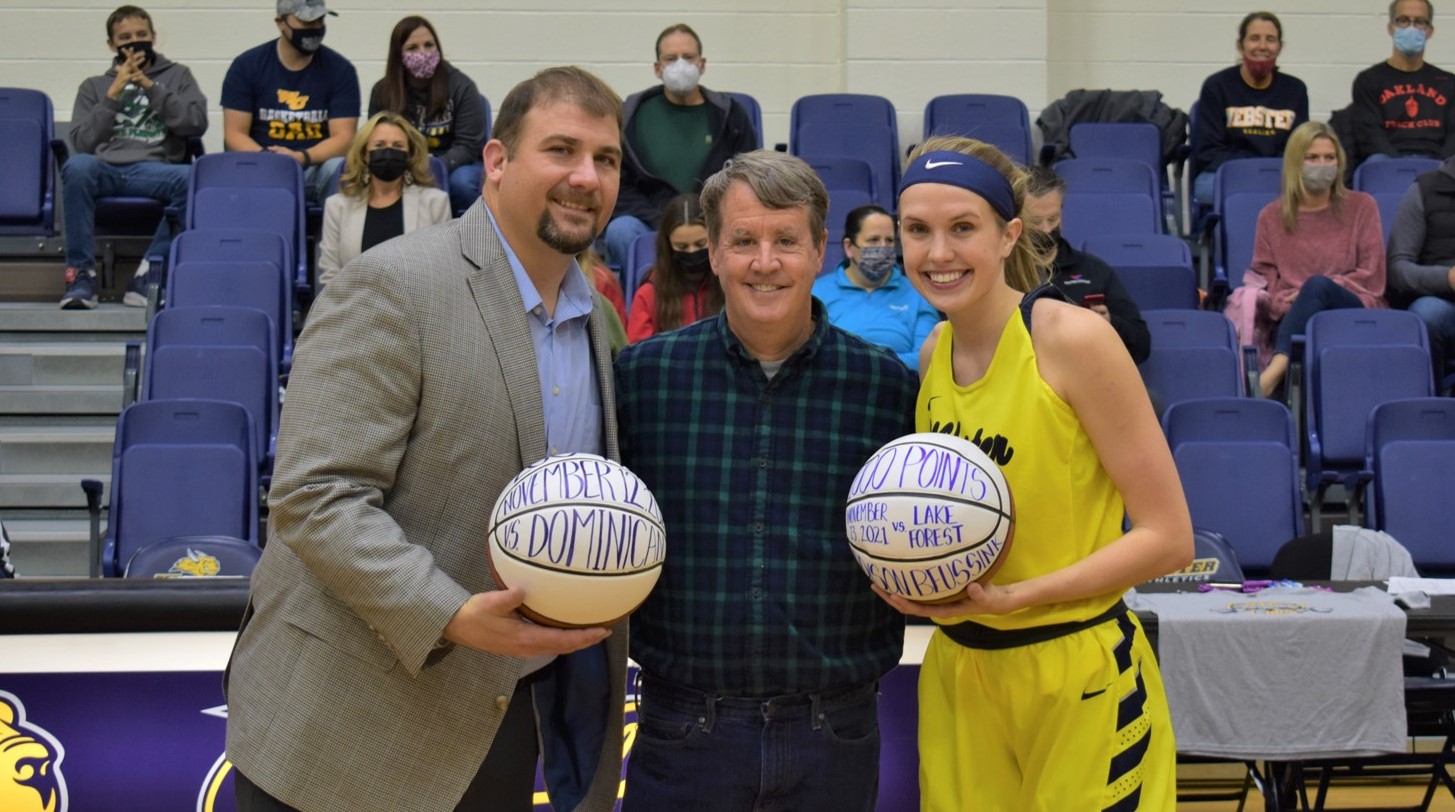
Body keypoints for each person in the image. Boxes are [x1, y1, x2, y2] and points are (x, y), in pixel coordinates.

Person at [225, 66, 629, 812]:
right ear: (498, 161)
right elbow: (314, 495)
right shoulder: (394, 283)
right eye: (562, 150)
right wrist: (447, 612)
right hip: (343, 728)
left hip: (494, 726)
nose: (586, 177)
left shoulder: (597, 321)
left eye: (604, 159)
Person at [880, 136, 1193, 810]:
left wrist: (1020, 598)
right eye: (917, 230)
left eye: (962, 228)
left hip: (1074, 669)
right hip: (959, 672)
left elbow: (1169, 539)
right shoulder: (933, 353)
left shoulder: (1069, 338)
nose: (936, 253)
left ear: (1006, 235)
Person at [614, 150, 919, 811]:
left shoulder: (886, 389)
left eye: (785, 241)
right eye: (744, 241)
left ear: (818, 252)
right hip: (680, 729)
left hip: (833, 732)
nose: (764, 262)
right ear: (715, 253)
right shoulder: (641, 379)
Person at [59, 4, 207, 310]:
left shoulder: (178, 76)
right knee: (76, 167)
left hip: (156, 170)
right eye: (125, 37)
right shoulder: (94, 86)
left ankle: (148, 274)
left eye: (141, 34)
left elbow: (196, 123)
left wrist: (150, 87)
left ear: (153, 38)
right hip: (105, 168)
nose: (134, 41)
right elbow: (82, 143)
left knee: (195, 179)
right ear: (112, 45)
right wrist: (113, 95)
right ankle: (81, 277)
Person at [1245, 121, 1387, 397]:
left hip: (1353, 306)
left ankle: (1273, 373)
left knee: (1318, 286)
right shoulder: (1271, 216)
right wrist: (1292, 299)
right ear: (1296, 163)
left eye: (1329, 158)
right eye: (1312, 158)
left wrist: (1312, 291)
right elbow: (1264, 277)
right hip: (1295, 313)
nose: (1322, 165)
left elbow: (1372, 275)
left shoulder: (1362, 206)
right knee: (1313, 296)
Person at [603, 23, 758, 270]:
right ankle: (643, 297)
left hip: (714, 221)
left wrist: (704, 220)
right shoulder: (630, 116)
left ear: (702, 64)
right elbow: (620, 184)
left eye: (688, 57)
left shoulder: (731, 115)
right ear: (657, 68)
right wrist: (666, 222)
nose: (680, 65)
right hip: (651, 221)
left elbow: (749, 177)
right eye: (671, 58)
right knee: (620, 230)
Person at [221, 0, 359, 205]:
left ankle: (329, 237)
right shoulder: (246, 66)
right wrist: (269, 159)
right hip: (260, 166)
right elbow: (234, 134)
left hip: (314, 167)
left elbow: (344, 138)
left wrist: (302, 157)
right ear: (281, 22)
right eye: (307, 22)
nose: (315, 29)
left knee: (340, 168)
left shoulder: (340, 70)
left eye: (320, 20)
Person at [1021, 167, 1151, 364]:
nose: (1046, 229)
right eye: (1036, 221)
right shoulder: (1001, 271)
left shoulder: (1093, 270)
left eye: (1053, 218)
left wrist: (1109, 322)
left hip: (1085, 377)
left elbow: (1141, 343)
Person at [367, 15, 487, 215]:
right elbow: (373, 138)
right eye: (413, 48)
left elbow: (469, 145)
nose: (423, 53)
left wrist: (433, 165)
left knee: (463, 183)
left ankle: (465, 233)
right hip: (400, 161)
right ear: (398, 55)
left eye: (429, 45)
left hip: (456, 164)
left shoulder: (461, 86)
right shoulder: (382, 91)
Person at [317, 112, 450, 286]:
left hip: (415, 307)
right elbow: (330, 275)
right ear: (365, 154)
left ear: (409, 154)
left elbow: (442, 271)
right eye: (379, 145)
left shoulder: (435, 203)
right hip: (354, 307)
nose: (389, 151)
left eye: (398, 146)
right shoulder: (337, 206)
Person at [1191, 11, 1308, 207]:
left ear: (1279, 47)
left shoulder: (1295, 90)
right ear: (1240, 45)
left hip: (1276, 175)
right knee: (1208, 189)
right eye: (1254, 38)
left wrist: (1267, 170)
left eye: (1270, 39)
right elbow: (1208, 152)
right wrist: (1251, 169)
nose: (1262, 46)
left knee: (1311, 191)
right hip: (1226, 173)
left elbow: (1297, 149)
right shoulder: (1216, 86)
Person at [811, 204, 940, 372]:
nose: (883, 247)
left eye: (889, 240)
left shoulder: (918, 292)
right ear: (849, 247)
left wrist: (861, 367)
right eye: (873, 240)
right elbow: (812, 355)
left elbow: (927, 357)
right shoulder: (817, 293)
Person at [1350, 0, 1455, 163]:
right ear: (1391, 28)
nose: (1411, 28)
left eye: (1420, 21)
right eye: (1403, 20)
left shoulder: (1449, 82)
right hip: (1386, 165)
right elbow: (1370, 136)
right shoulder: (1369, 80)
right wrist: (1399, 166)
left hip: (1438, 167)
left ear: (1430, 31)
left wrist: (1437, 170)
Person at [1387, 153, 1455, 392]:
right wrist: (1447, 278)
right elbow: (1398, 269)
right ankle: (1433, 405)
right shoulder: (1424, 189)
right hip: (1443, 300)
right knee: (1427, 314)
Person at [625, 192, 724, 342]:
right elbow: (638, 356)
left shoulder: (731, 285)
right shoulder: (648, 295)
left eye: (700, 244)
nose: (692, 252)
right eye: (682, 246)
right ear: (668, 246)